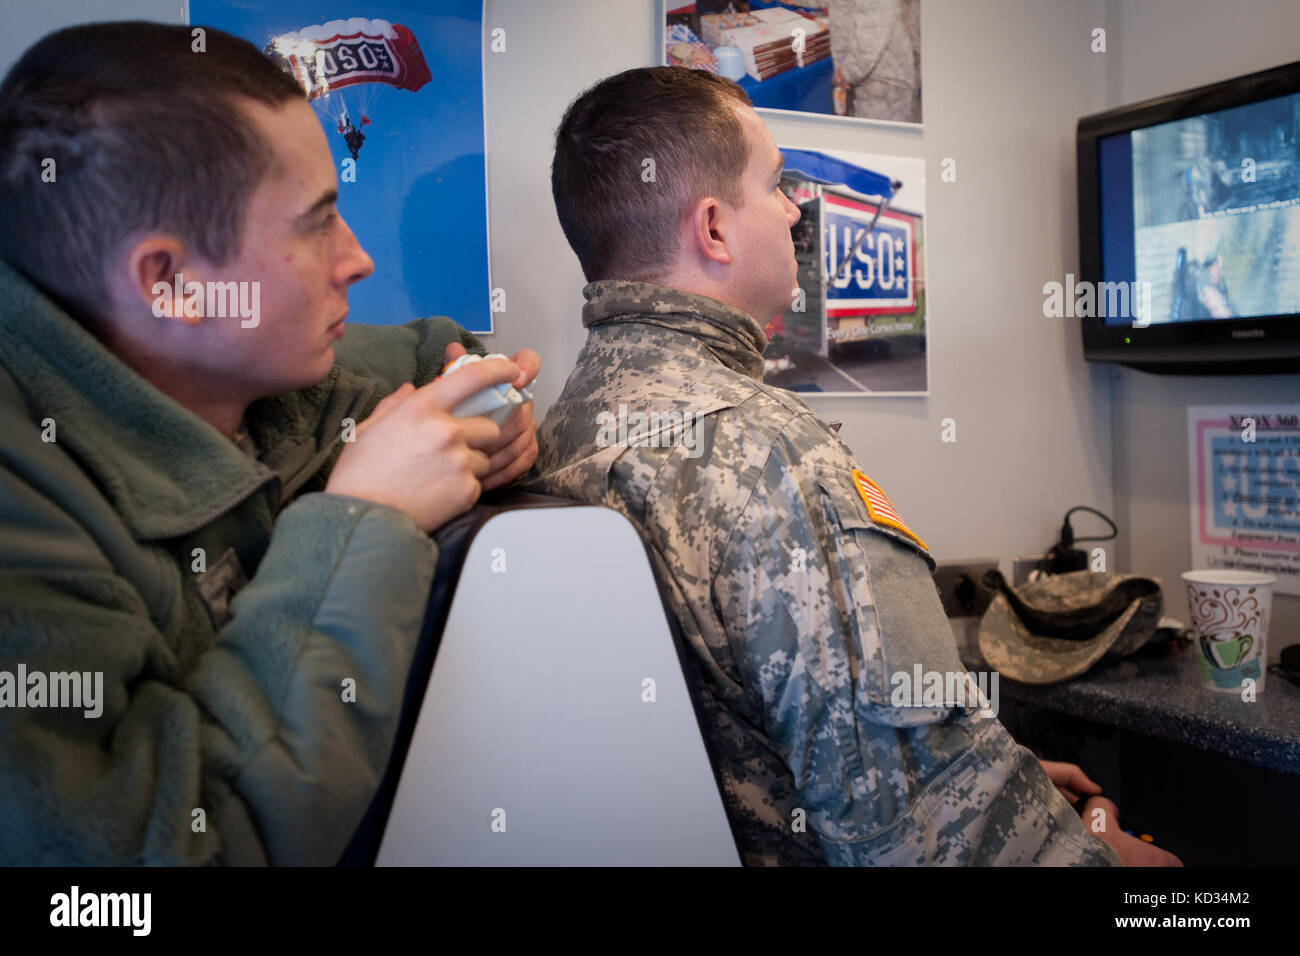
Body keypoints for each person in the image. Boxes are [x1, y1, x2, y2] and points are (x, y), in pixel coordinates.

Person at [530, 66, 1180, 866]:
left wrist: (983, 775)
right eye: (775, 185)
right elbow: (924, 843)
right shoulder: (771, 458)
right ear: (715, 229)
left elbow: (823, 756)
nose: (794, 207)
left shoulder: (558, 427)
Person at [0, 22, 538, 864]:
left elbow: (424, 347)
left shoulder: (205, 356)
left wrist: (478, 387)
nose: (357, 260)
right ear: (169, 284)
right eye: (317, 222)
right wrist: (367, 518)